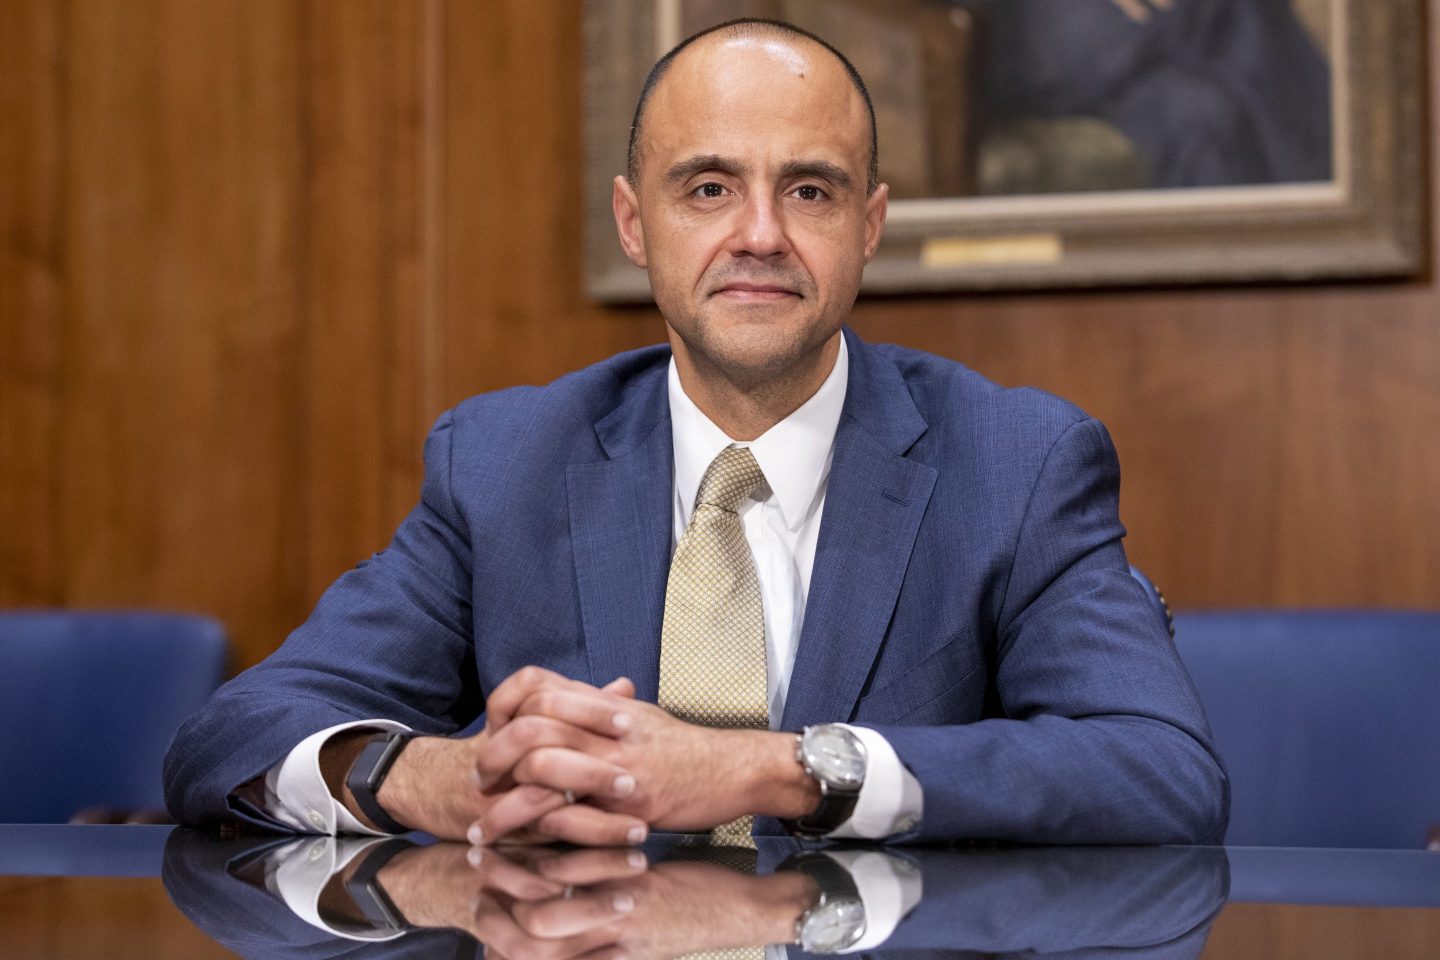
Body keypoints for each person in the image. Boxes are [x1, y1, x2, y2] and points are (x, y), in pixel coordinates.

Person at [164, 18, 1227, 847]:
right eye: (708, 187)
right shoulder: (503, 463)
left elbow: (1157, 770)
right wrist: (431, 777)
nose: (758, 235)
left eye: (808, 190)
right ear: (637, 224)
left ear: (868, 228)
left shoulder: (1020, 463)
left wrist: (776, 770)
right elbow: (231, 738)